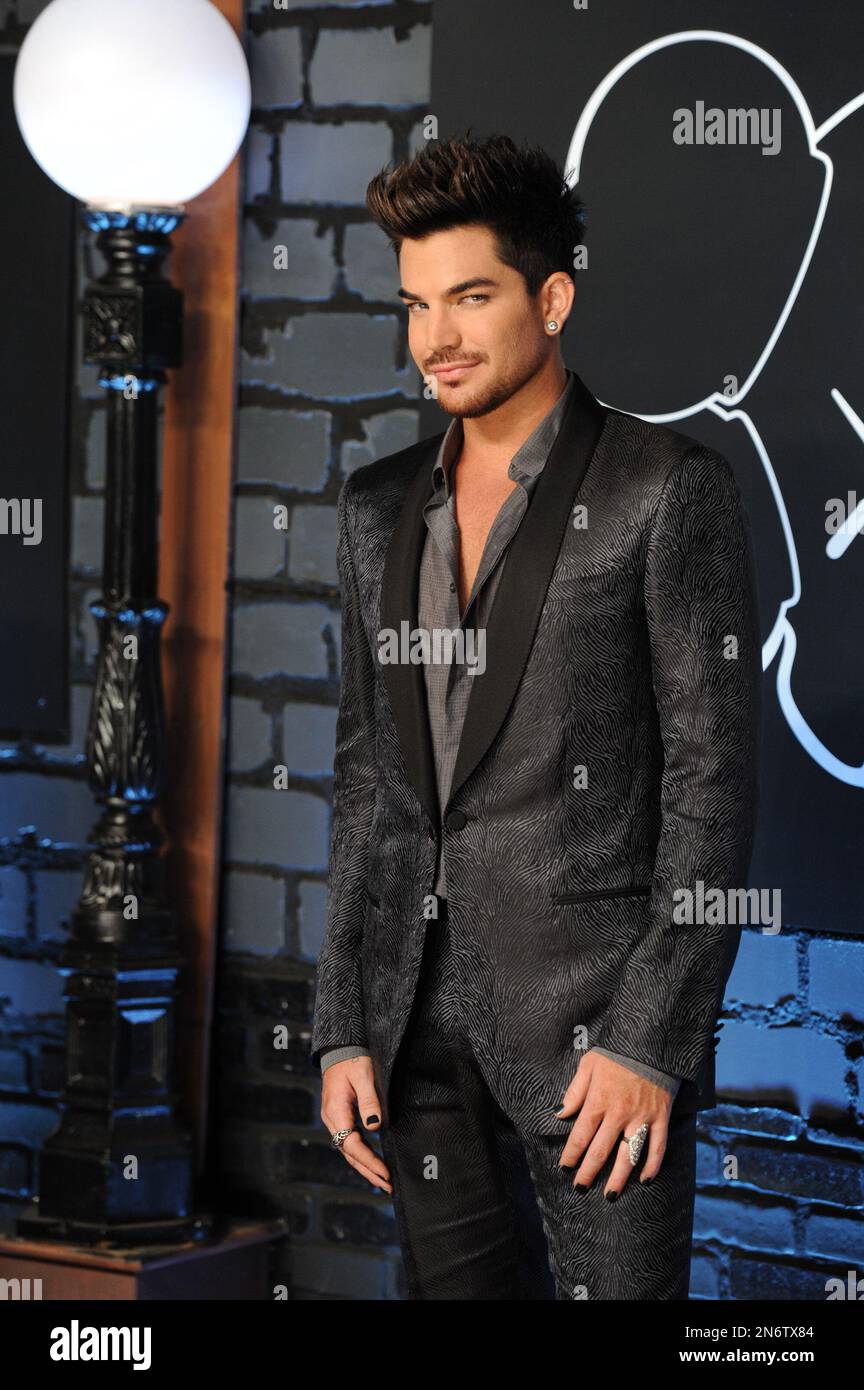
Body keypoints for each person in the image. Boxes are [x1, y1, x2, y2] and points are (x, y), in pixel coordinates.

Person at [311, 132, 761, 1300]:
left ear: (551, 297)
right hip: (411, 1030)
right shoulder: (374, 510)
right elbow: (367, 782)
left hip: (597, 1038)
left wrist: (652, 1039)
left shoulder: (665, 492)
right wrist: (343, 1024)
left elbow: (712, 786)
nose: (436, 340)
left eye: (470, 298)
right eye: (415, 306)